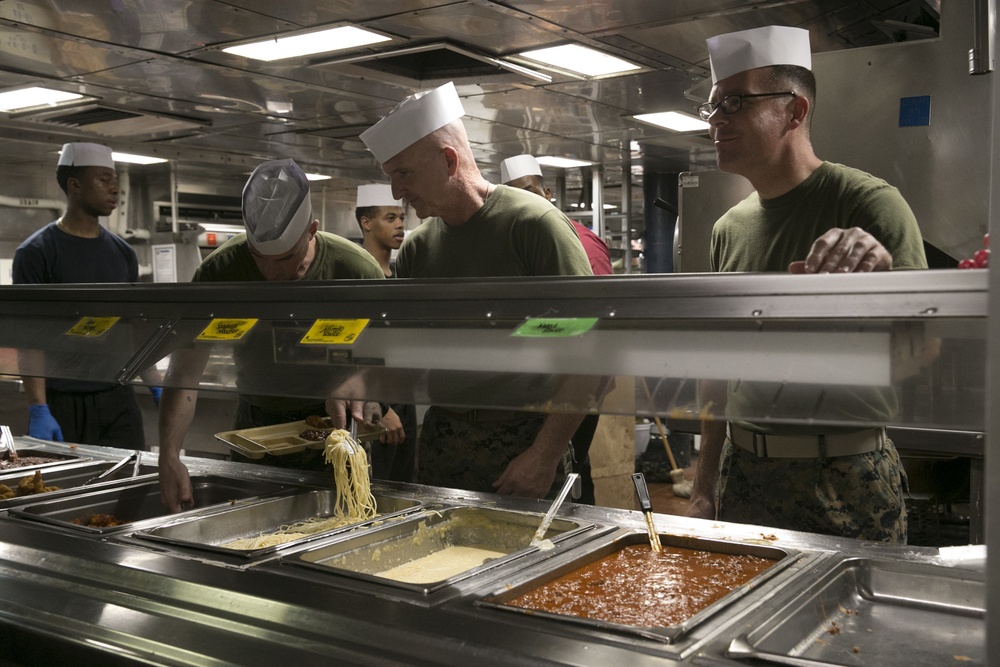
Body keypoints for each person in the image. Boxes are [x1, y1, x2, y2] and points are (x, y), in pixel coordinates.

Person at [686, 26, 928, 543]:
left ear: (795, 111)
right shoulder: (728, 229)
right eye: (713, 107)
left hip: (843, 478)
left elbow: (919, 354)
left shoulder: (867, 204)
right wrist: (704, 483)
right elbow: (715, 368)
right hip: (742, 472)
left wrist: (884, 287)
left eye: (735, 103)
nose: (716, 120)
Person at [360, 81, 594, 499]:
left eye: (404, 174)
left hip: (524, 438)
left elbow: (589, 354)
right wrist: (369, 390)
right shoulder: (416, 249)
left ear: (449, 161)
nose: (396, 192)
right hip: (441, 438)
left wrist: (544, 456)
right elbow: (405, 351)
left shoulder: (534, 226)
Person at [158, 158, 387, 512]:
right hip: (254, 430)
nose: (271, 273)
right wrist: (169, 454)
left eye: (286, 259)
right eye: (259, 258)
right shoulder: (220, 271)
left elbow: (391, 354)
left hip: (338, 427)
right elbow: (185, 371)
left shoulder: (355, 270)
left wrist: (368, 385)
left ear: (311, 231)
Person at [13, 142, 158, 448]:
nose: (115, 188)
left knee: (130, 475)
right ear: (75, 185)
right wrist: (38, 407)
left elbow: (135, 329)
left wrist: (157, 385)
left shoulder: (123, 253)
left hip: (118, 396)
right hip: (63, 401)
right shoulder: (37, 252)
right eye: (104, 180)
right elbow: (30, 337)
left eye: (115, 180)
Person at [500, 154, 612, 504]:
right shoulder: (514, 240)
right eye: (514, 195)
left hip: (576, 379)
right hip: (535, 384)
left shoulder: (580, 240)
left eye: (531, 191)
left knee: (570, 469)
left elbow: (596, 322)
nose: (525, 202)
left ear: (548, 193)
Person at [354, 183, 418, 482]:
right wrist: (382, 405)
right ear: (366, 223)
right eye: (390, 218)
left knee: (402, 491)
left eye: (401, 217)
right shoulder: (355, 277)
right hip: (372, 407)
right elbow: (353, 353)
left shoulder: (401, 275)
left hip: (405, 400)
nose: (400, 225)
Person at [501, 154, 612, 276]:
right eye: (513, 198)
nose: (522, 203)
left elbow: (600, 286)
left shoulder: (583, 241)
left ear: (547, 194)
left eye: (530, 194)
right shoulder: (512, 244)